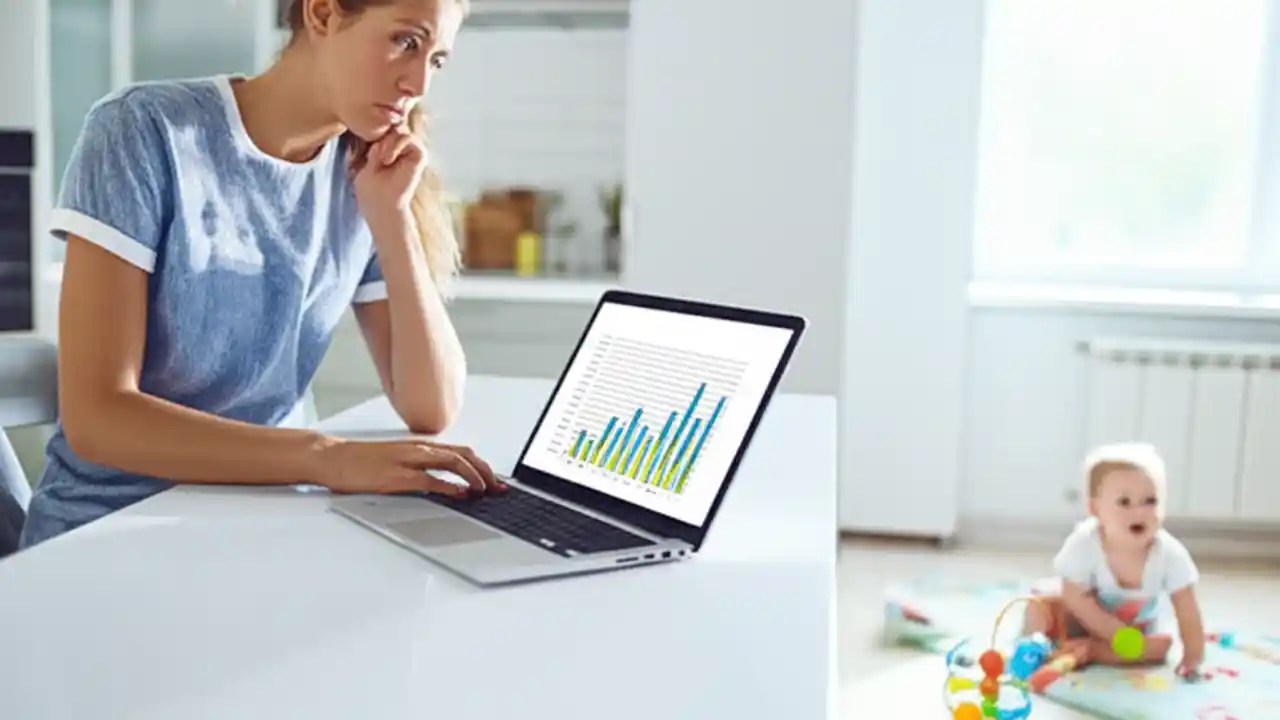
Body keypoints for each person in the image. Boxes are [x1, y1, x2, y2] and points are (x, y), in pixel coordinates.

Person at [18, 0, 507, 551]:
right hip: (107, 532)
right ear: (322, 13)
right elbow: (98, 418)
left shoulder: (366, 174)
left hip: (263, 524)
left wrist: (393, 220)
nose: (417, 81)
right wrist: (324, 457)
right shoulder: (144, 130)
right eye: (405, 42)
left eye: (437, 59)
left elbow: (432, 404)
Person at [1023, 442, 1206, 678]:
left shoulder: (1169, 554)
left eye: (1150, 501)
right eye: (1124, 502)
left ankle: (1093, 651)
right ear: (1095, 509)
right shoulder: (1085, 543)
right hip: (1085, 618)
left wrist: (1193, 656)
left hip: (1134, 631)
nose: (1139, 512)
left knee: (1161, 647)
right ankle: (1034, 650)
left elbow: (1187, 608)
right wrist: (1113, 632)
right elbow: (1074, 596)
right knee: (1038, 603)